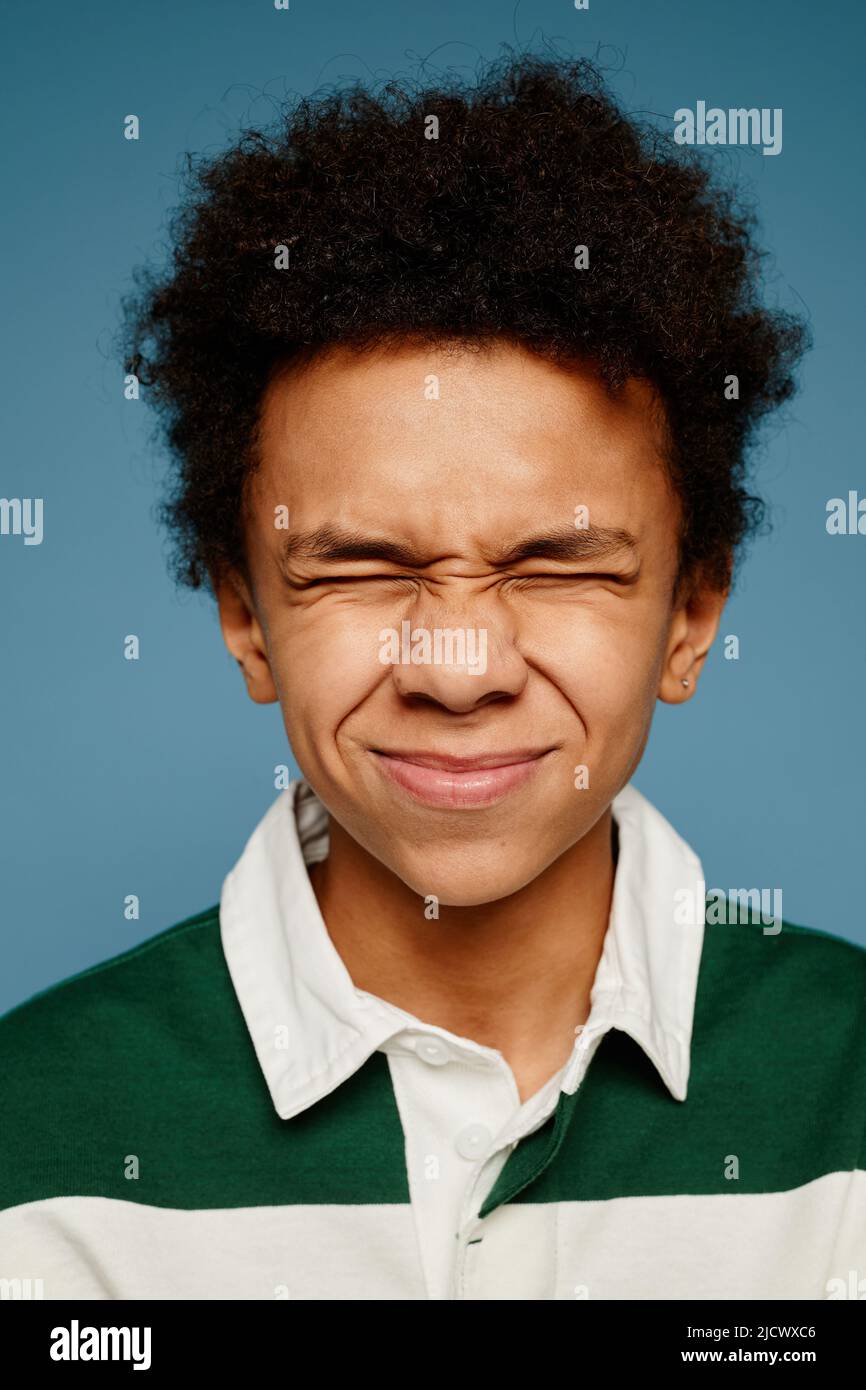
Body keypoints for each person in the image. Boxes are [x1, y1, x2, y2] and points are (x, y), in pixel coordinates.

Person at [1, 52, 862, 1301]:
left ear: (689, 614)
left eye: (558, 566)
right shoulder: (31, 1143)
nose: (457, 670)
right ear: (245, 617)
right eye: (355, 569)